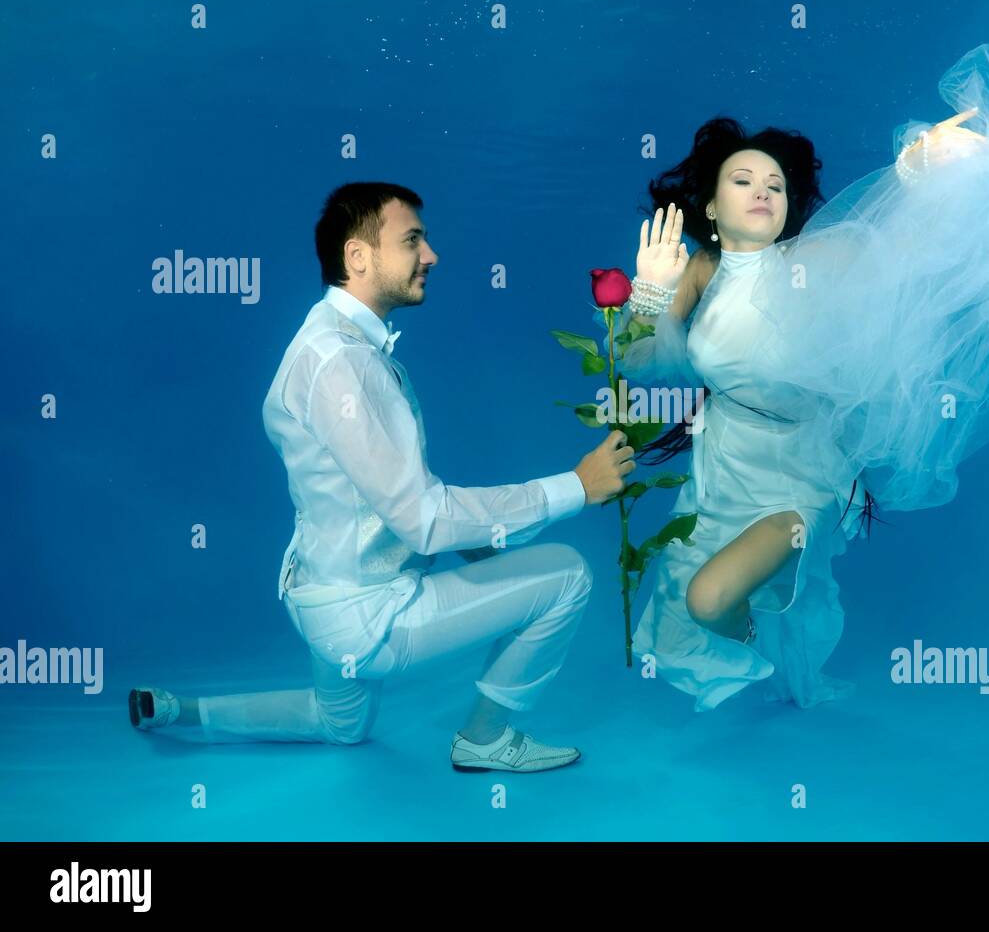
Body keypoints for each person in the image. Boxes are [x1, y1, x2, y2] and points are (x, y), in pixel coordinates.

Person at [617, 44, 989, 711]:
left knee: (710, 599)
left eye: (776, 184)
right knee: (684, 603)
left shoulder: (818, 260)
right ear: (713, 209)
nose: (763, 191)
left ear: (791, 205)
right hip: (722, 464)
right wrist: (648, 292)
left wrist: (916, 171)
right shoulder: (698, 270)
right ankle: (770, 647)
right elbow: (643, 365)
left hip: (798, 475)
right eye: (743, 181)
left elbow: (900, 248)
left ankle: (753, 634)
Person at [128, 182, 636, 773]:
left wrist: (480, 542)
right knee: (569, 574)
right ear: (358, 257)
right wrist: (574, 486)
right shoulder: (343, 362)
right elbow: (421, 517)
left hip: (317, 597)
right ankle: (484, 739)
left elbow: (389, 493)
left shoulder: (329, 341)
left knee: (338, 725)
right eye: (413, 240)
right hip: (368, 617)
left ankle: (179, 712)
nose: (432, 255)